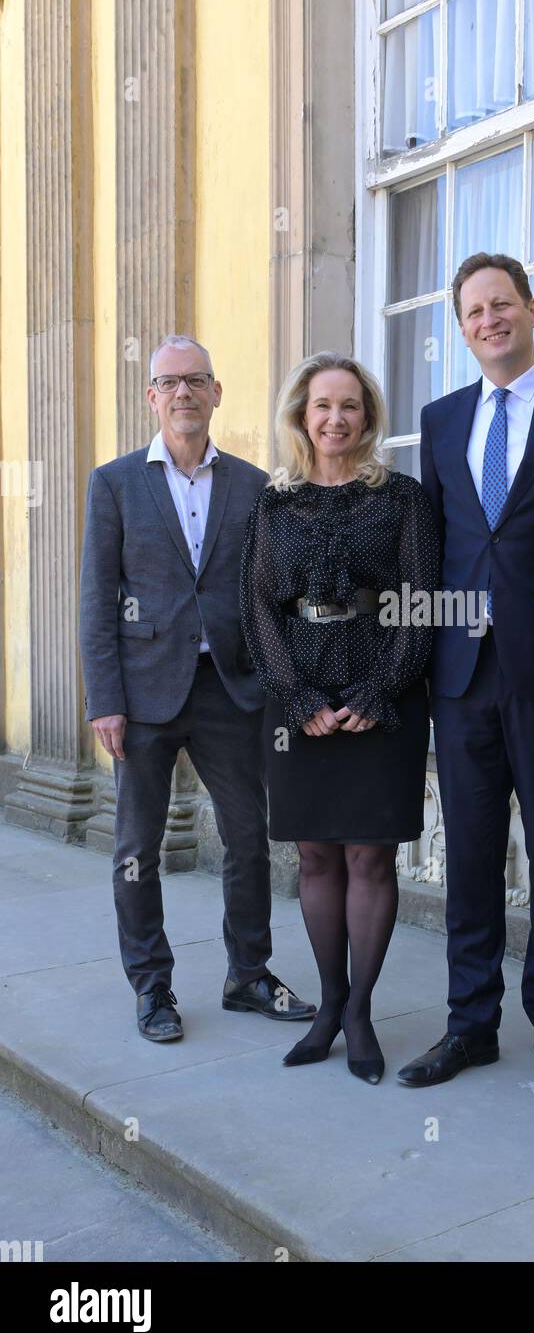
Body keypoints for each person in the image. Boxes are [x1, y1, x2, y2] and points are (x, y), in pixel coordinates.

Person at [79, 335, 315, 1042]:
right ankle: (153, 988)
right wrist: (105, 700)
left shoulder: (251, 485)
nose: (183, 393)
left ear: (217, 393)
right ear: (151, 397)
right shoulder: (115, 482)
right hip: (143, 695)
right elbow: (97, 598)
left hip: (229, 691)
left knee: (248, 837)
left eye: (197, 381)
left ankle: (248, 973)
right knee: (136, 849)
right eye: (169, 382)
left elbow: (269, 592)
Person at [398, 253, 534, 1089]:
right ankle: (470, 1023)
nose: (489, 320)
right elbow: (434, 552)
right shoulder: (441, 421)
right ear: (462, 327)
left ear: (531, 309)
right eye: (474, 311)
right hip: (463, 676)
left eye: (502, 304)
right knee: (469, 856)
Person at [240, 351, 438, 1085]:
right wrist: (297, 698)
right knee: (316, 856)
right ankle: (326, 1006)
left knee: (369, 857)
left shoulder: (403, 498)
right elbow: (257, 607)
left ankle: (360, 1014)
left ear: (367, 416)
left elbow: (421, 603)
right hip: (298, 706)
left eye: (349, 405)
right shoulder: (273, 503)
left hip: (381, 704)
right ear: (302, 415)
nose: (336, 418)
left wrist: (376, 691)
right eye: (322, 405)